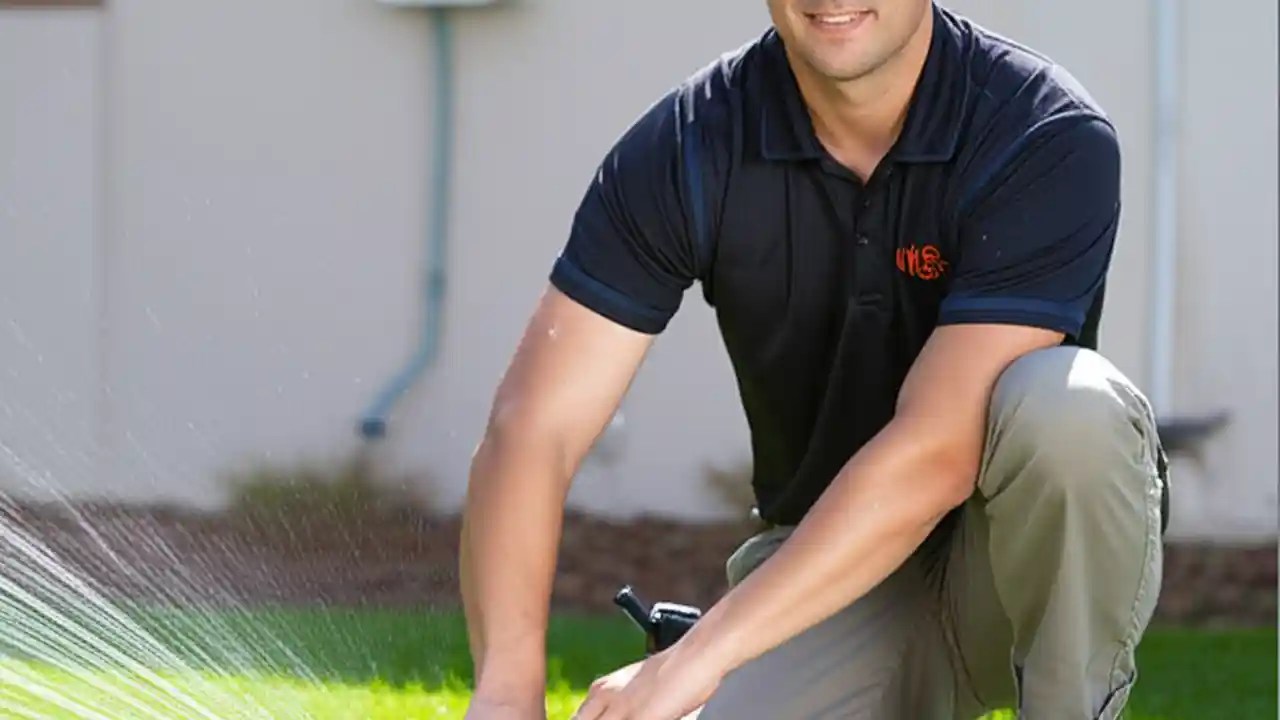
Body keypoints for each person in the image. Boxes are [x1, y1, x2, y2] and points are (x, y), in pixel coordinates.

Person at [460, 1, 1169, 718]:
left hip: (1005, 572)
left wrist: (694, 660)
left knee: (1072, 406)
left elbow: (938, 449)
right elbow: (533, 428)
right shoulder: (688, 146)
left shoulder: (1040, 132)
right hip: (824, 575)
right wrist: (507, 692)